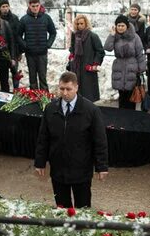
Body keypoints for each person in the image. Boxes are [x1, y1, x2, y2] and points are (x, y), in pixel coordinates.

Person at [34, 71, 108, 208]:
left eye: (69, 89)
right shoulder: (50, 109)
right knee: (62, 208)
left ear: (76, 88)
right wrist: (40, 162)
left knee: (83, 209)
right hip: (58, 169)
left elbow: (100, 140)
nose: (65, 93)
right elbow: (43, 137)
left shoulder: (91, 110)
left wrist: (101, 166)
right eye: (62, 89)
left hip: (81, 170)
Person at [105, 14, 146, 110]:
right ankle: (121, 118)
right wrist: (111, 35)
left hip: (132, 68)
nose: (120, 28)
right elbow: (107, 48)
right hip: (119, 68)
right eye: (118, 25)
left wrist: (141, 68)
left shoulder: (135, 37)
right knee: (122, 97)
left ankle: (131, 118)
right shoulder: (114, 36)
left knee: (131, 98)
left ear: (127, 26)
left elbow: (140, 53)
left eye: (122, 25)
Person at [18, 0, 56, 90]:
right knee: (32, 79)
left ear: (40, 5)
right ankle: (34, 100)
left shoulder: (46, 18)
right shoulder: (24, 19)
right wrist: (25, 46)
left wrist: (48, 44)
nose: (35, 8)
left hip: (42, 54)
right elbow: (18, 35)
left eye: (37, 6)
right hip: (30, 54)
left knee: (43, 78)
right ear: (29, 6)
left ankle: (45, 101)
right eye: (33, 6)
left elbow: (53, 32)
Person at [68, 14, 105, 102]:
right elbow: (72, 48)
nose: (79, 26)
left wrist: (94, 64)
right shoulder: (75, 35)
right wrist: (72, 56)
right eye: (77, 24)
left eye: (81, 23)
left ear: (86, 24)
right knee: (76, 89)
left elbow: (100, 51)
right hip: (76, 67)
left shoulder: (92, 36)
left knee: (88, 93)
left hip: (87, 67)